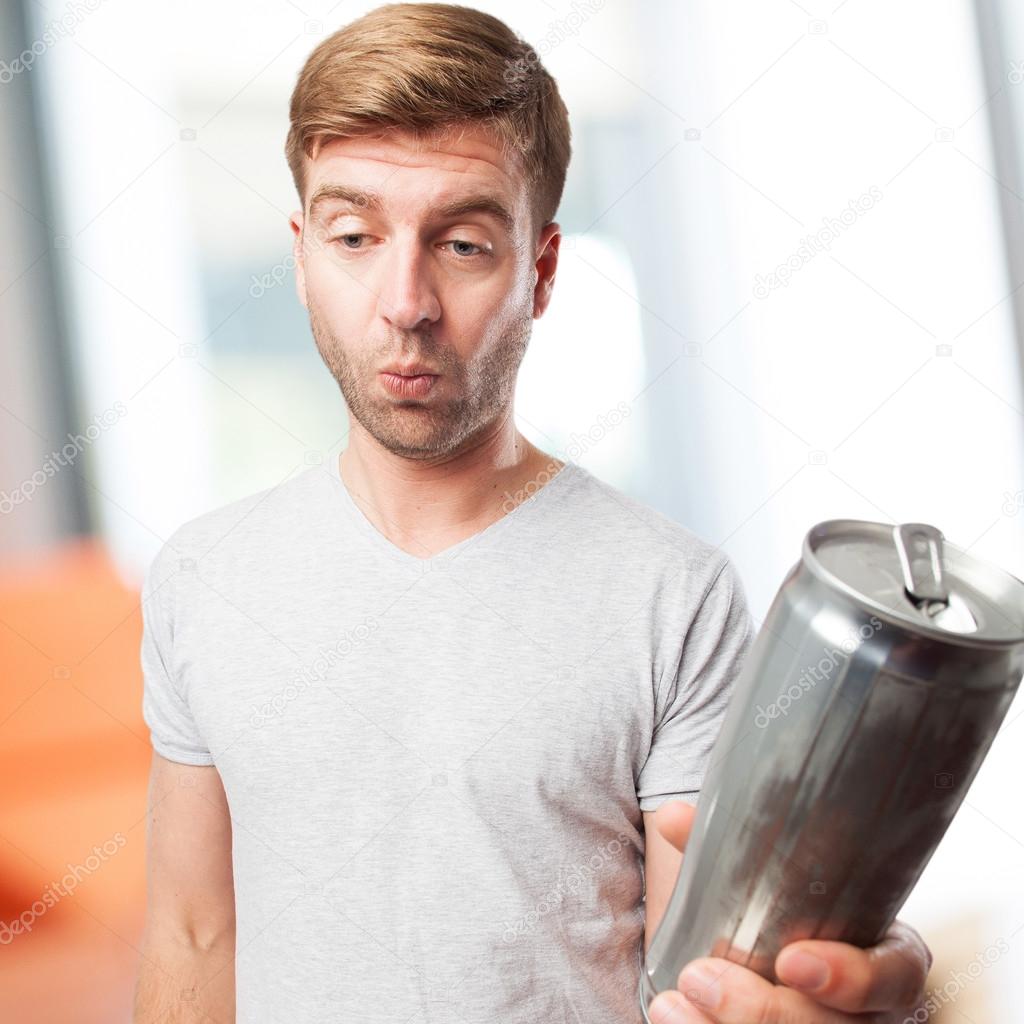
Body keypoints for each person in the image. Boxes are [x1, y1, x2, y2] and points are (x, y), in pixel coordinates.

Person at [132, 4, 932, 1022]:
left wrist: (836, 970)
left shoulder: (669, 593)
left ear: (540, 270)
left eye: (462, 243)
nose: (406, 300)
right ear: (300, 254)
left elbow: (703, 978)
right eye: (353, 236)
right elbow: (195, 933)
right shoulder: (204, 579)